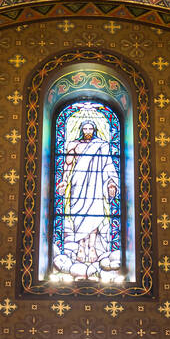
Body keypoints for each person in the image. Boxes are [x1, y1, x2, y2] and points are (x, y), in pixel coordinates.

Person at [54, 113, 119, 278]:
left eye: (91, 128)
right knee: (78, 217)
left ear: (95, 129)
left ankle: (93, 250)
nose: (88, 130)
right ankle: (79, 250)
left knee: (94, 216)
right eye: (85, 128)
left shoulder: (102, 145)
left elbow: (109, 164)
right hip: (78, 185)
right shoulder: (73, 145)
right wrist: (63, 181)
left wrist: (111, 183)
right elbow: (68, 165)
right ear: (81, 129)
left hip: (96, 185)